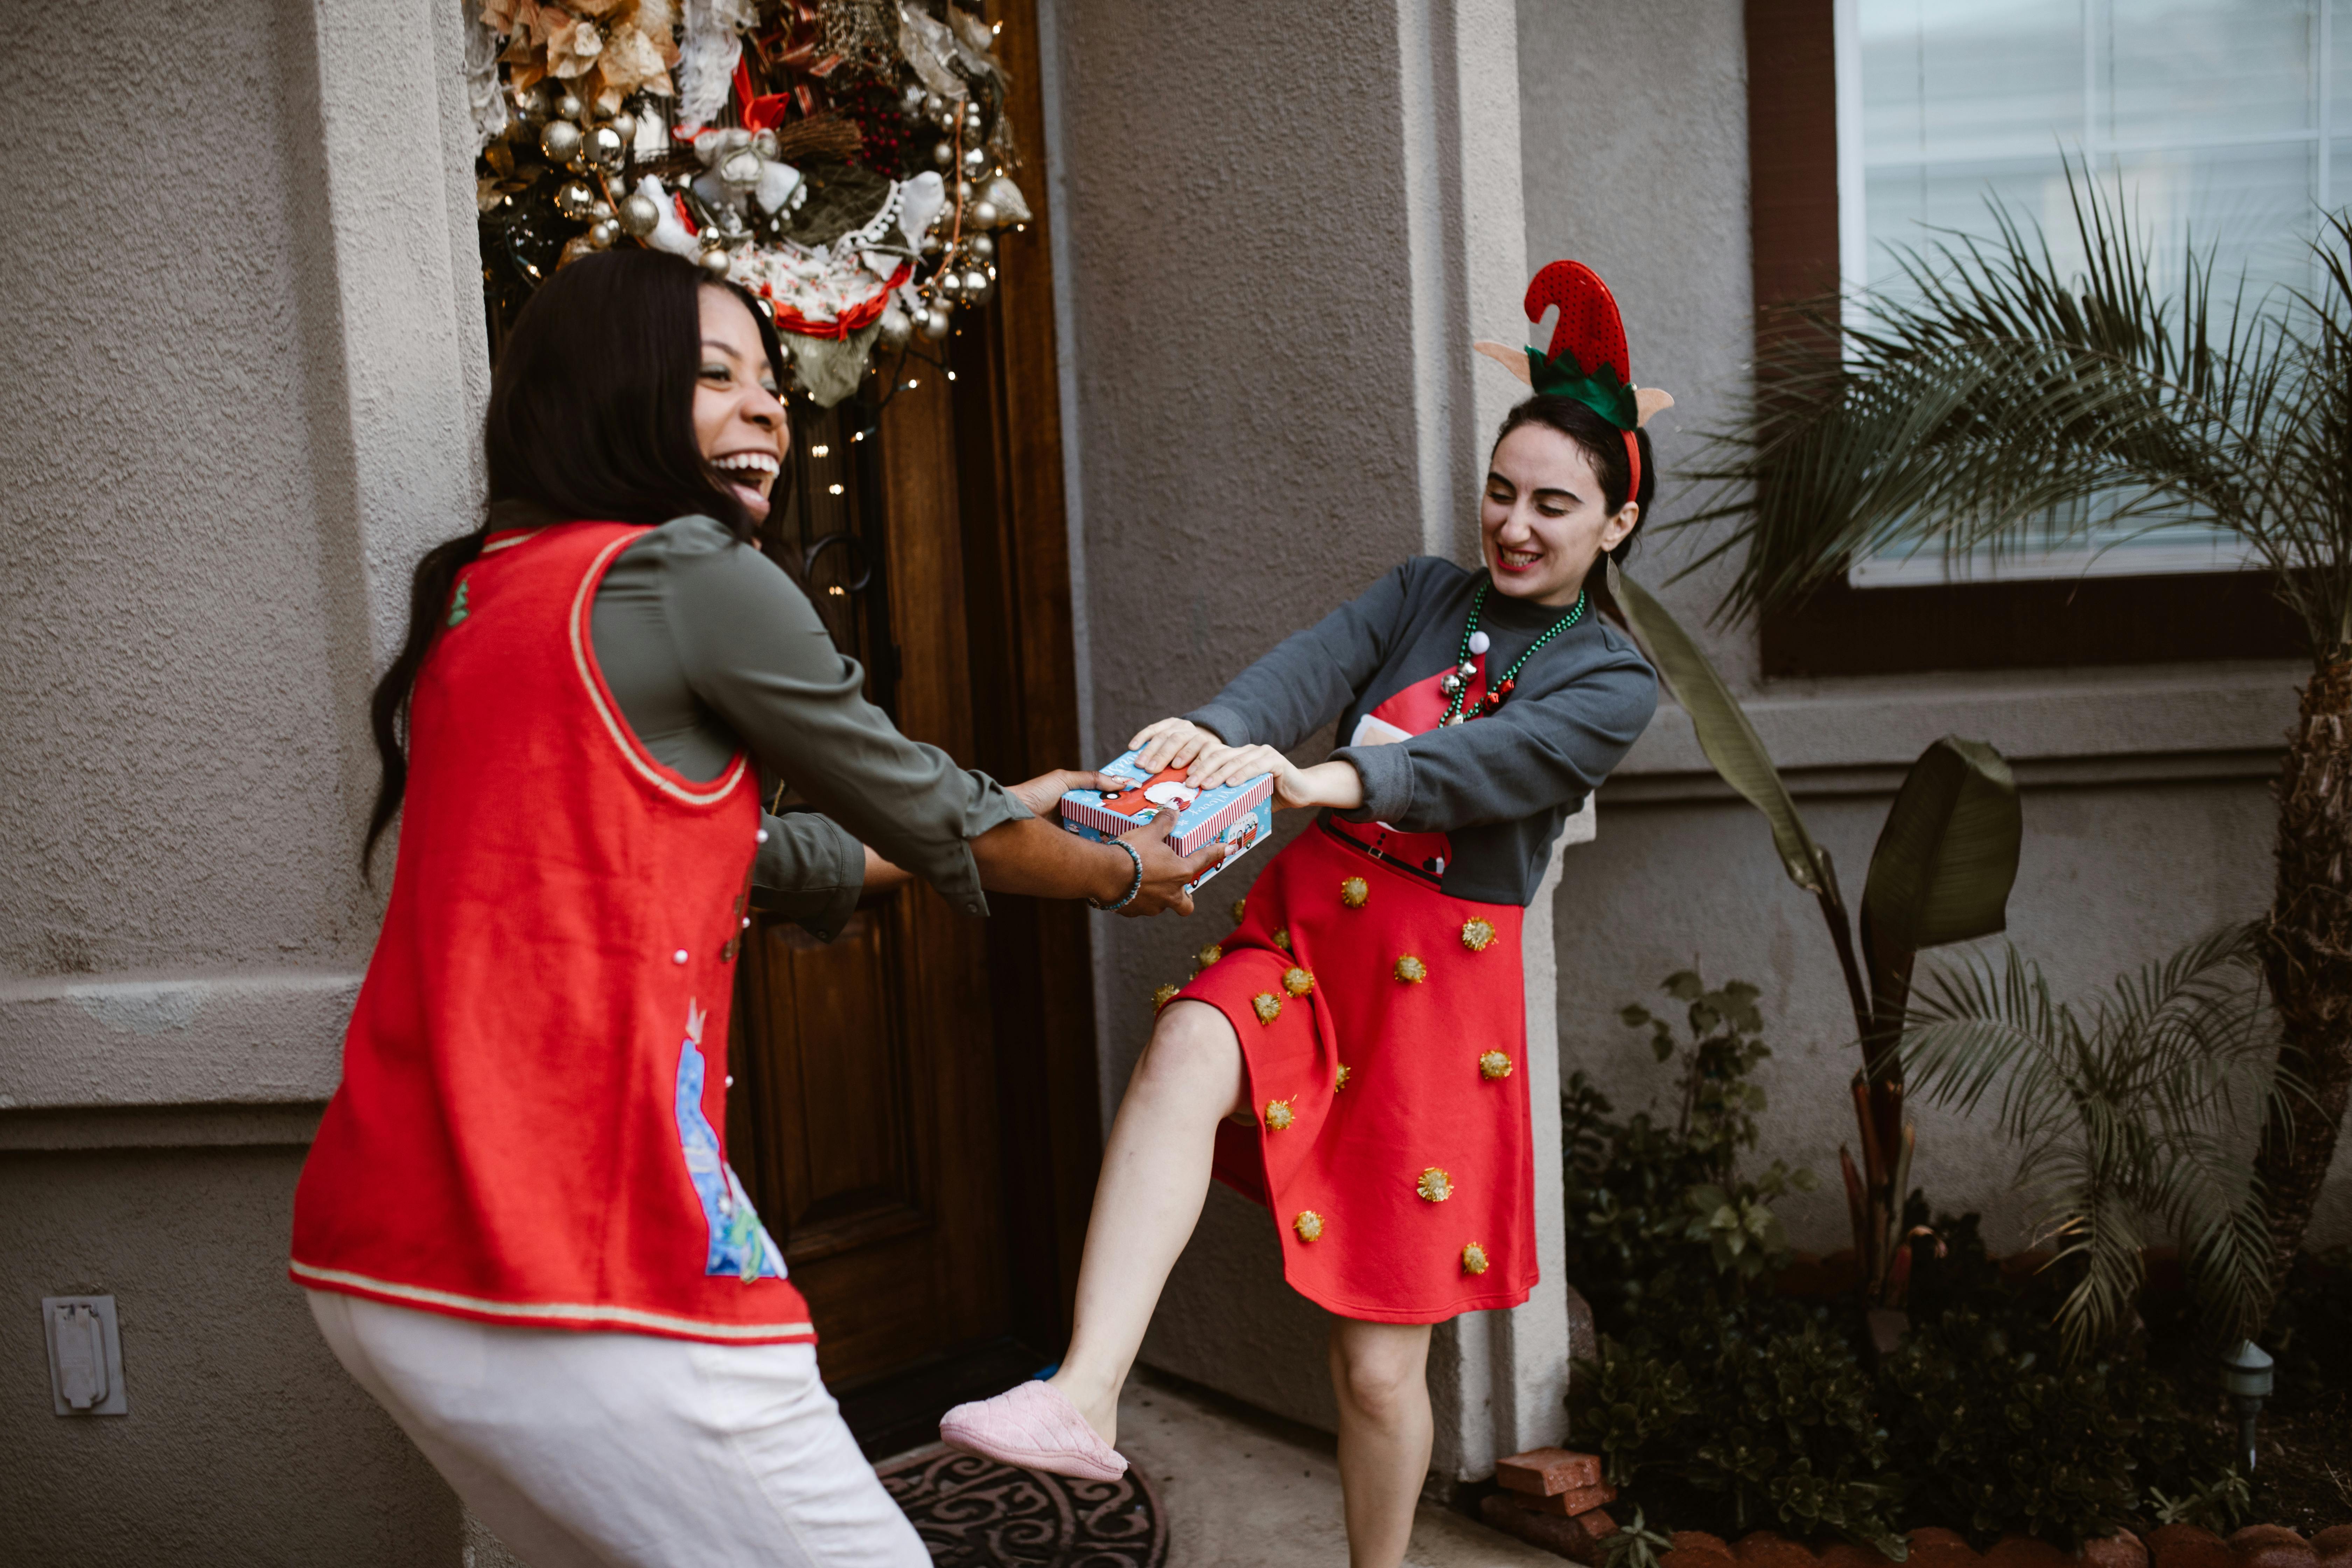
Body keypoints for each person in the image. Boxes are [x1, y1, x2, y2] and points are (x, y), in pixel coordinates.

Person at [289, 248, 1218, 1568]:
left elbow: (744, 855)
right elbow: (923, 808)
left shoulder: (483, 590)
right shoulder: (685, 574)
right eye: (715, 375)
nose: (771, 407)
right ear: (611, 397)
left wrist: (1013, 803)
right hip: (576, 1260)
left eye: (773, 382)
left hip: (384, 1261)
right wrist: (1124, 868)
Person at [940, 260, 1665, 1568]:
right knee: (1183, 1046)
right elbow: (1303, 674)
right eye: (1502, 492)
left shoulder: (1614, 680)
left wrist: (1326, 777)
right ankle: (1083, 1392)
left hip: (1438, 1006)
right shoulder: (1418, 594)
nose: (1514, 525)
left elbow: (1478, 770)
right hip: (1308, 934)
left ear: (1614, 524)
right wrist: (1212, 736)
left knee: (1378, 1373)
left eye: (1554, 506)